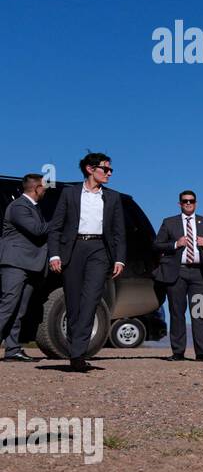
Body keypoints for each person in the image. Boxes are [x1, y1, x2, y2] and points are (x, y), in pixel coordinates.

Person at [48, 153, 126, 372]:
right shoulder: (69, 193)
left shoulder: (113, 197)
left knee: (91, 300)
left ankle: (78, 354)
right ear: (91, 169)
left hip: (100, 250)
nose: (110, 173)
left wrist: (119, 258)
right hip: (73, 250)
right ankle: (75, 349)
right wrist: (54, 255)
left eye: (111, 170)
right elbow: (56, 226)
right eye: (106, 169)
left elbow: (119, 232)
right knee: (73, 303)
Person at [153, 190, 203, 362]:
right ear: (180, 204)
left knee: (198, 313)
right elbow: (157, 245)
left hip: (199, 274)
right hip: (177, 273)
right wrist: (176, 244)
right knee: (177, 312)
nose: (188, 204)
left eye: (191, 201)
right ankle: (178, 352)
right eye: (185, 201)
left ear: (196, 203)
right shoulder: (169, 223)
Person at [0, 174, 50, 362]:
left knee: (19, 309)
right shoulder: (20, 206)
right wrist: (59, 222)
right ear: (36, 188)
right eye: (44, 187)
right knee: (8, 306)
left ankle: (13, 350)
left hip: (30, 264)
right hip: (16, 263)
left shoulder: (33, 207)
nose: (45, 190)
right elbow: (37, 230)